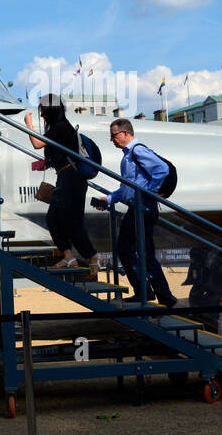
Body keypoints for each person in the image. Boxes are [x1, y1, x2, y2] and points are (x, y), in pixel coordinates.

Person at [90, 118, 176, 308]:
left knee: (128, 249)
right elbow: (126, 189)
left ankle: (149, 292)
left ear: (125, 133)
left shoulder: (137, 150)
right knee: (141, 251)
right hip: (138, 205)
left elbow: (162, 169)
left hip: (142, 205)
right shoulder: (128, 156)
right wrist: (108, 199)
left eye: (113, 135)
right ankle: (161, 295)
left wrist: (147, 192)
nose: (111, 139)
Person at [26, 94, 98, 276]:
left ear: (50, 110)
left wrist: (28, 124)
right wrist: (45, 164)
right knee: (55, 218)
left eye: (42, 110)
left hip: (71, 179)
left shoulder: (60, 127)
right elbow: (60, 154)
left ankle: (92, 257)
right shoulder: (60, 128)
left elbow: (36, 143)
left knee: (71, 222)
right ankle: (70, 257)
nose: (41, 114)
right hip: (66, 177)